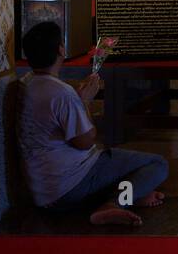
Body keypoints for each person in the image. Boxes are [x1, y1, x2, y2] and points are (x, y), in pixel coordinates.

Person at [18, 20, 168, 226]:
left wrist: (78, 103)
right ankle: (115, 204)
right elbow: (85, 141)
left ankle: (132, 195)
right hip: (70, 184)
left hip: (43, 191)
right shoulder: (61, 93)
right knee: (157, 164)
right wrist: (85, 102)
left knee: (124, 168)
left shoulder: (27, 84)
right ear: (61, 50)